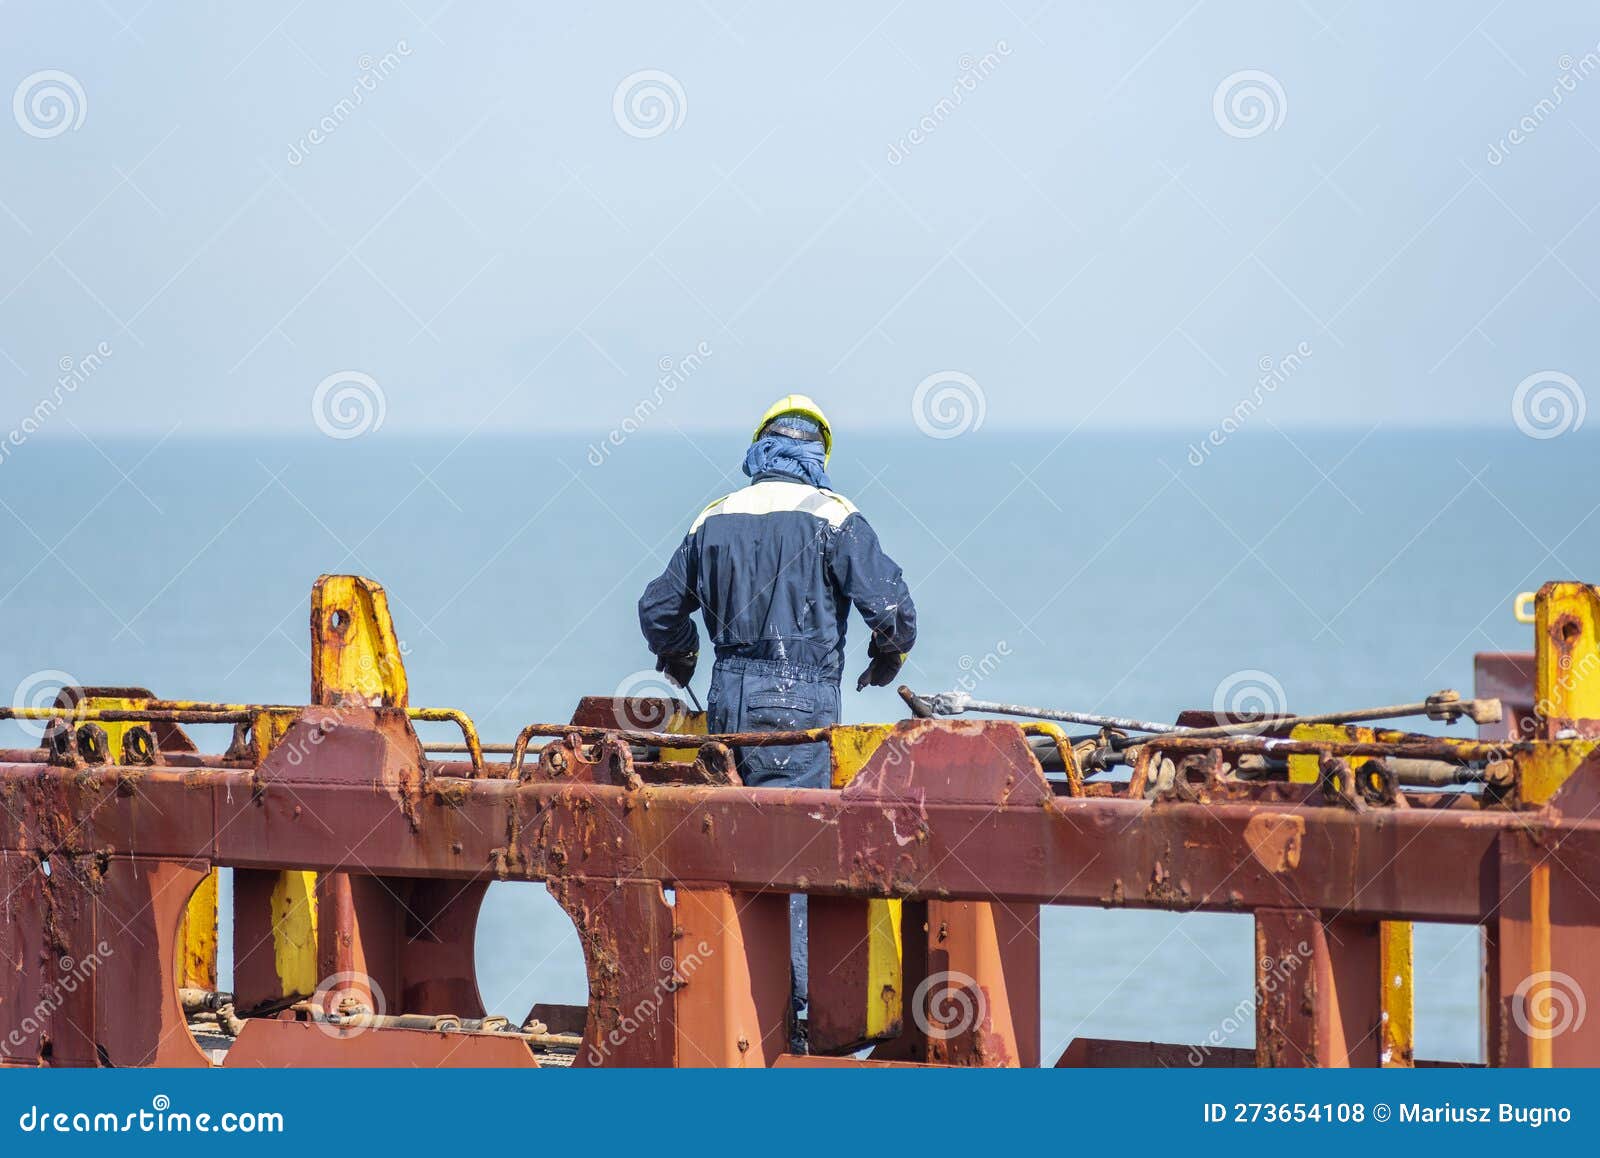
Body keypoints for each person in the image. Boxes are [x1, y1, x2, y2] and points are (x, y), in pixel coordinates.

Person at [637, 393, 917, 1049]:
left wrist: (679, 655)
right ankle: (792, 1025)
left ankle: (720, 1008)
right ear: (817, 451)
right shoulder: (835, 515)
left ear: (761, 449)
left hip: (729, 703)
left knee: (725, 849)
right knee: (792, 856)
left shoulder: (713, 517)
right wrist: (887, 657)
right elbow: (893, 609)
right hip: (803, 704)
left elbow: (657, 609)